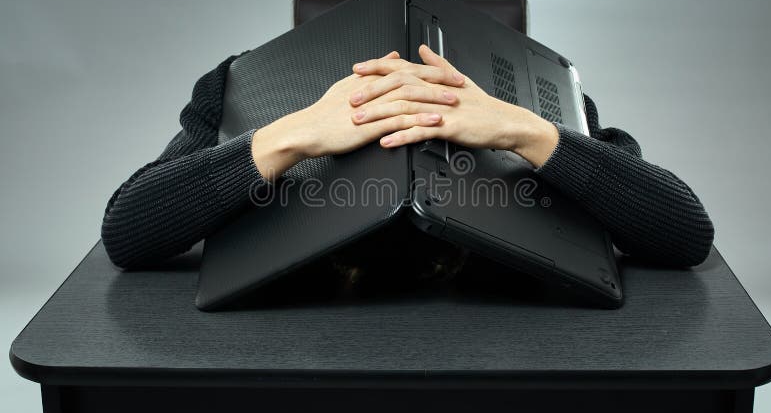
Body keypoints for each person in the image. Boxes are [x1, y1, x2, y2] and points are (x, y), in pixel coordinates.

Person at [101, 44, 715, 287]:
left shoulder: (544, 97)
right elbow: (128, 232)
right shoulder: (239, 87)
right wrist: (292, 135)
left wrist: (520, 128)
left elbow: (685, 233)